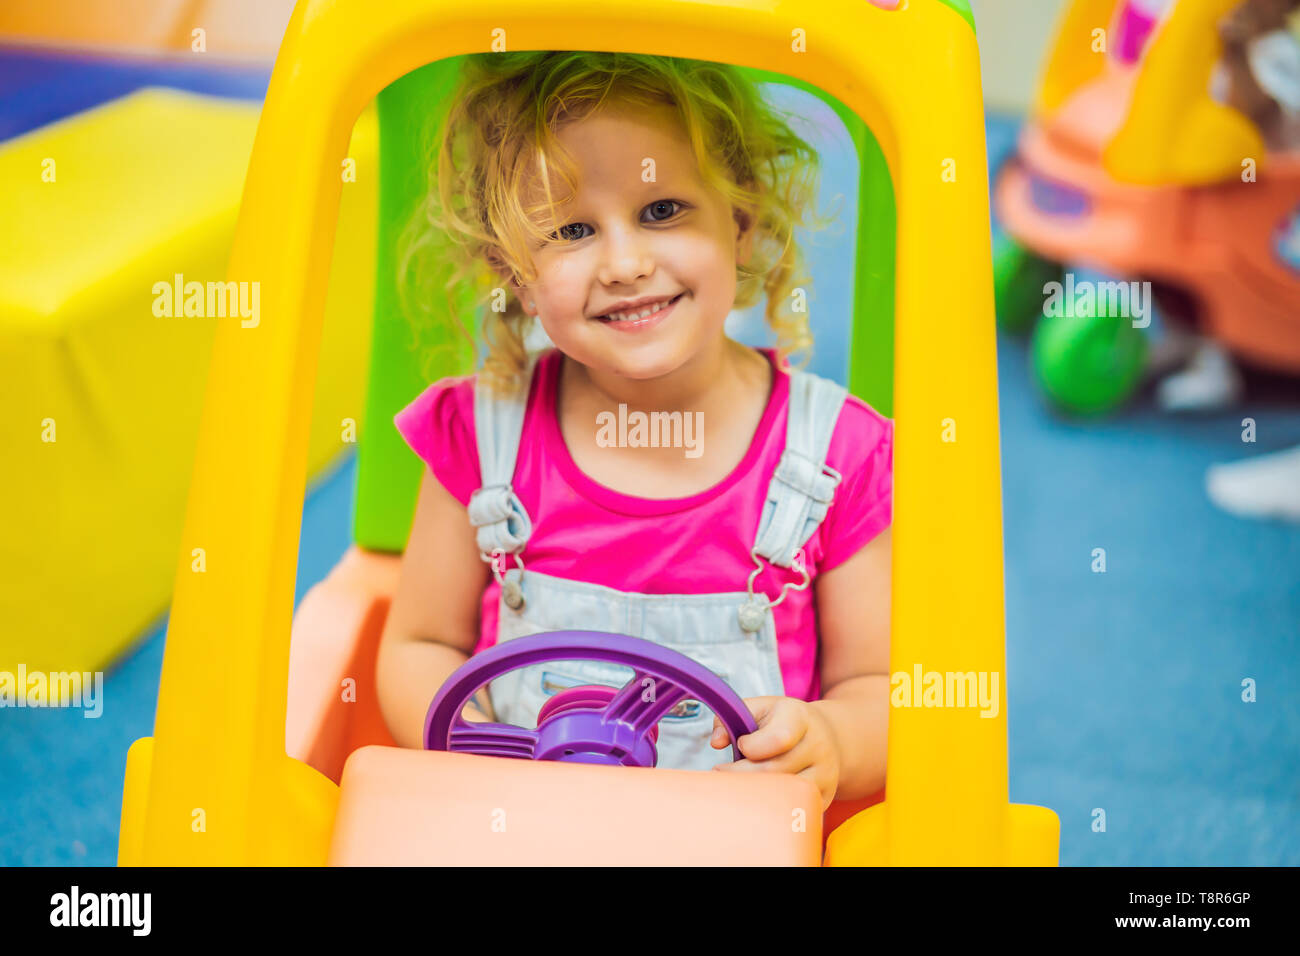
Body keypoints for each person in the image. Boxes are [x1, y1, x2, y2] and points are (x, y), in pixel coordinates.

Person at [373, 52, 894, 810]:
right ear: (512, 273)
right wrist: (467, 745)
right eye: (573, 229)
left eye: (662, 210)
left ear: (742, 224)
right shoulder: (482, 436)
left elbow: (879, 691)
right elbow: (419, 646)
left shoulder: (832, 455)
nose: (624, 264)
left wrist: (836, 739)